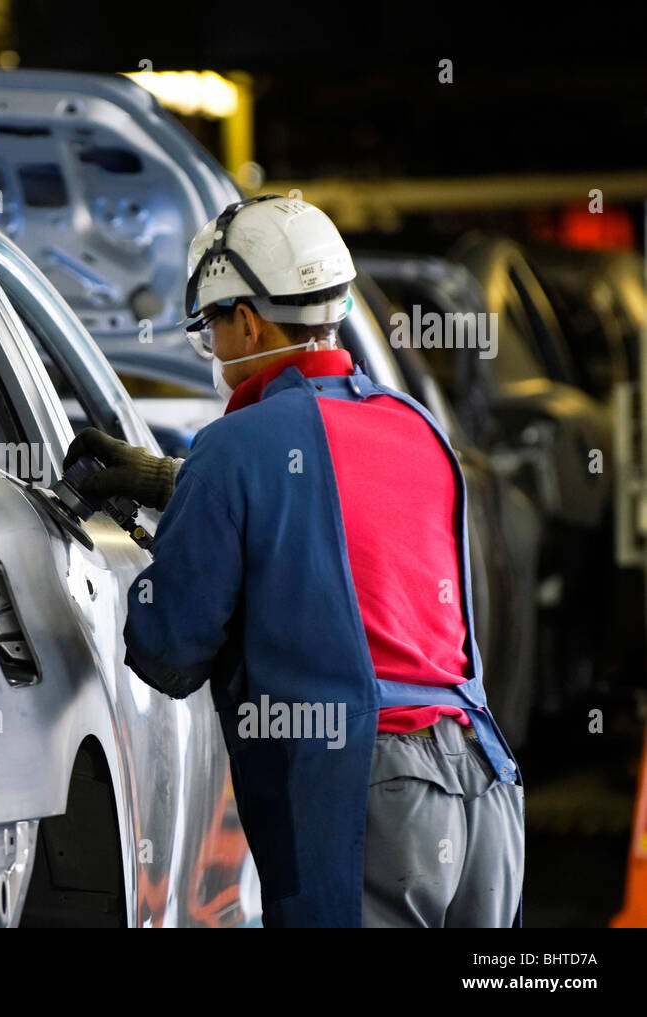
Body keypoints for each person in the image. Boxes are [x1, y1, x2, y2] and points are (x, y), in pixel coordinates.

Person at [64, 194, 524, 928]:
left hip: (369, 795)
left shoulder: (236, 446)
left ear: (246, 319)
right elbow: (334, 513)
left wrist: (154, 555)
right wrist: (173, 486)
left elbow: (168, 652)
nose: (213, 349)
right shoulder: (417, 428)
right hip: (481, 782)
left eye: (211, 328)